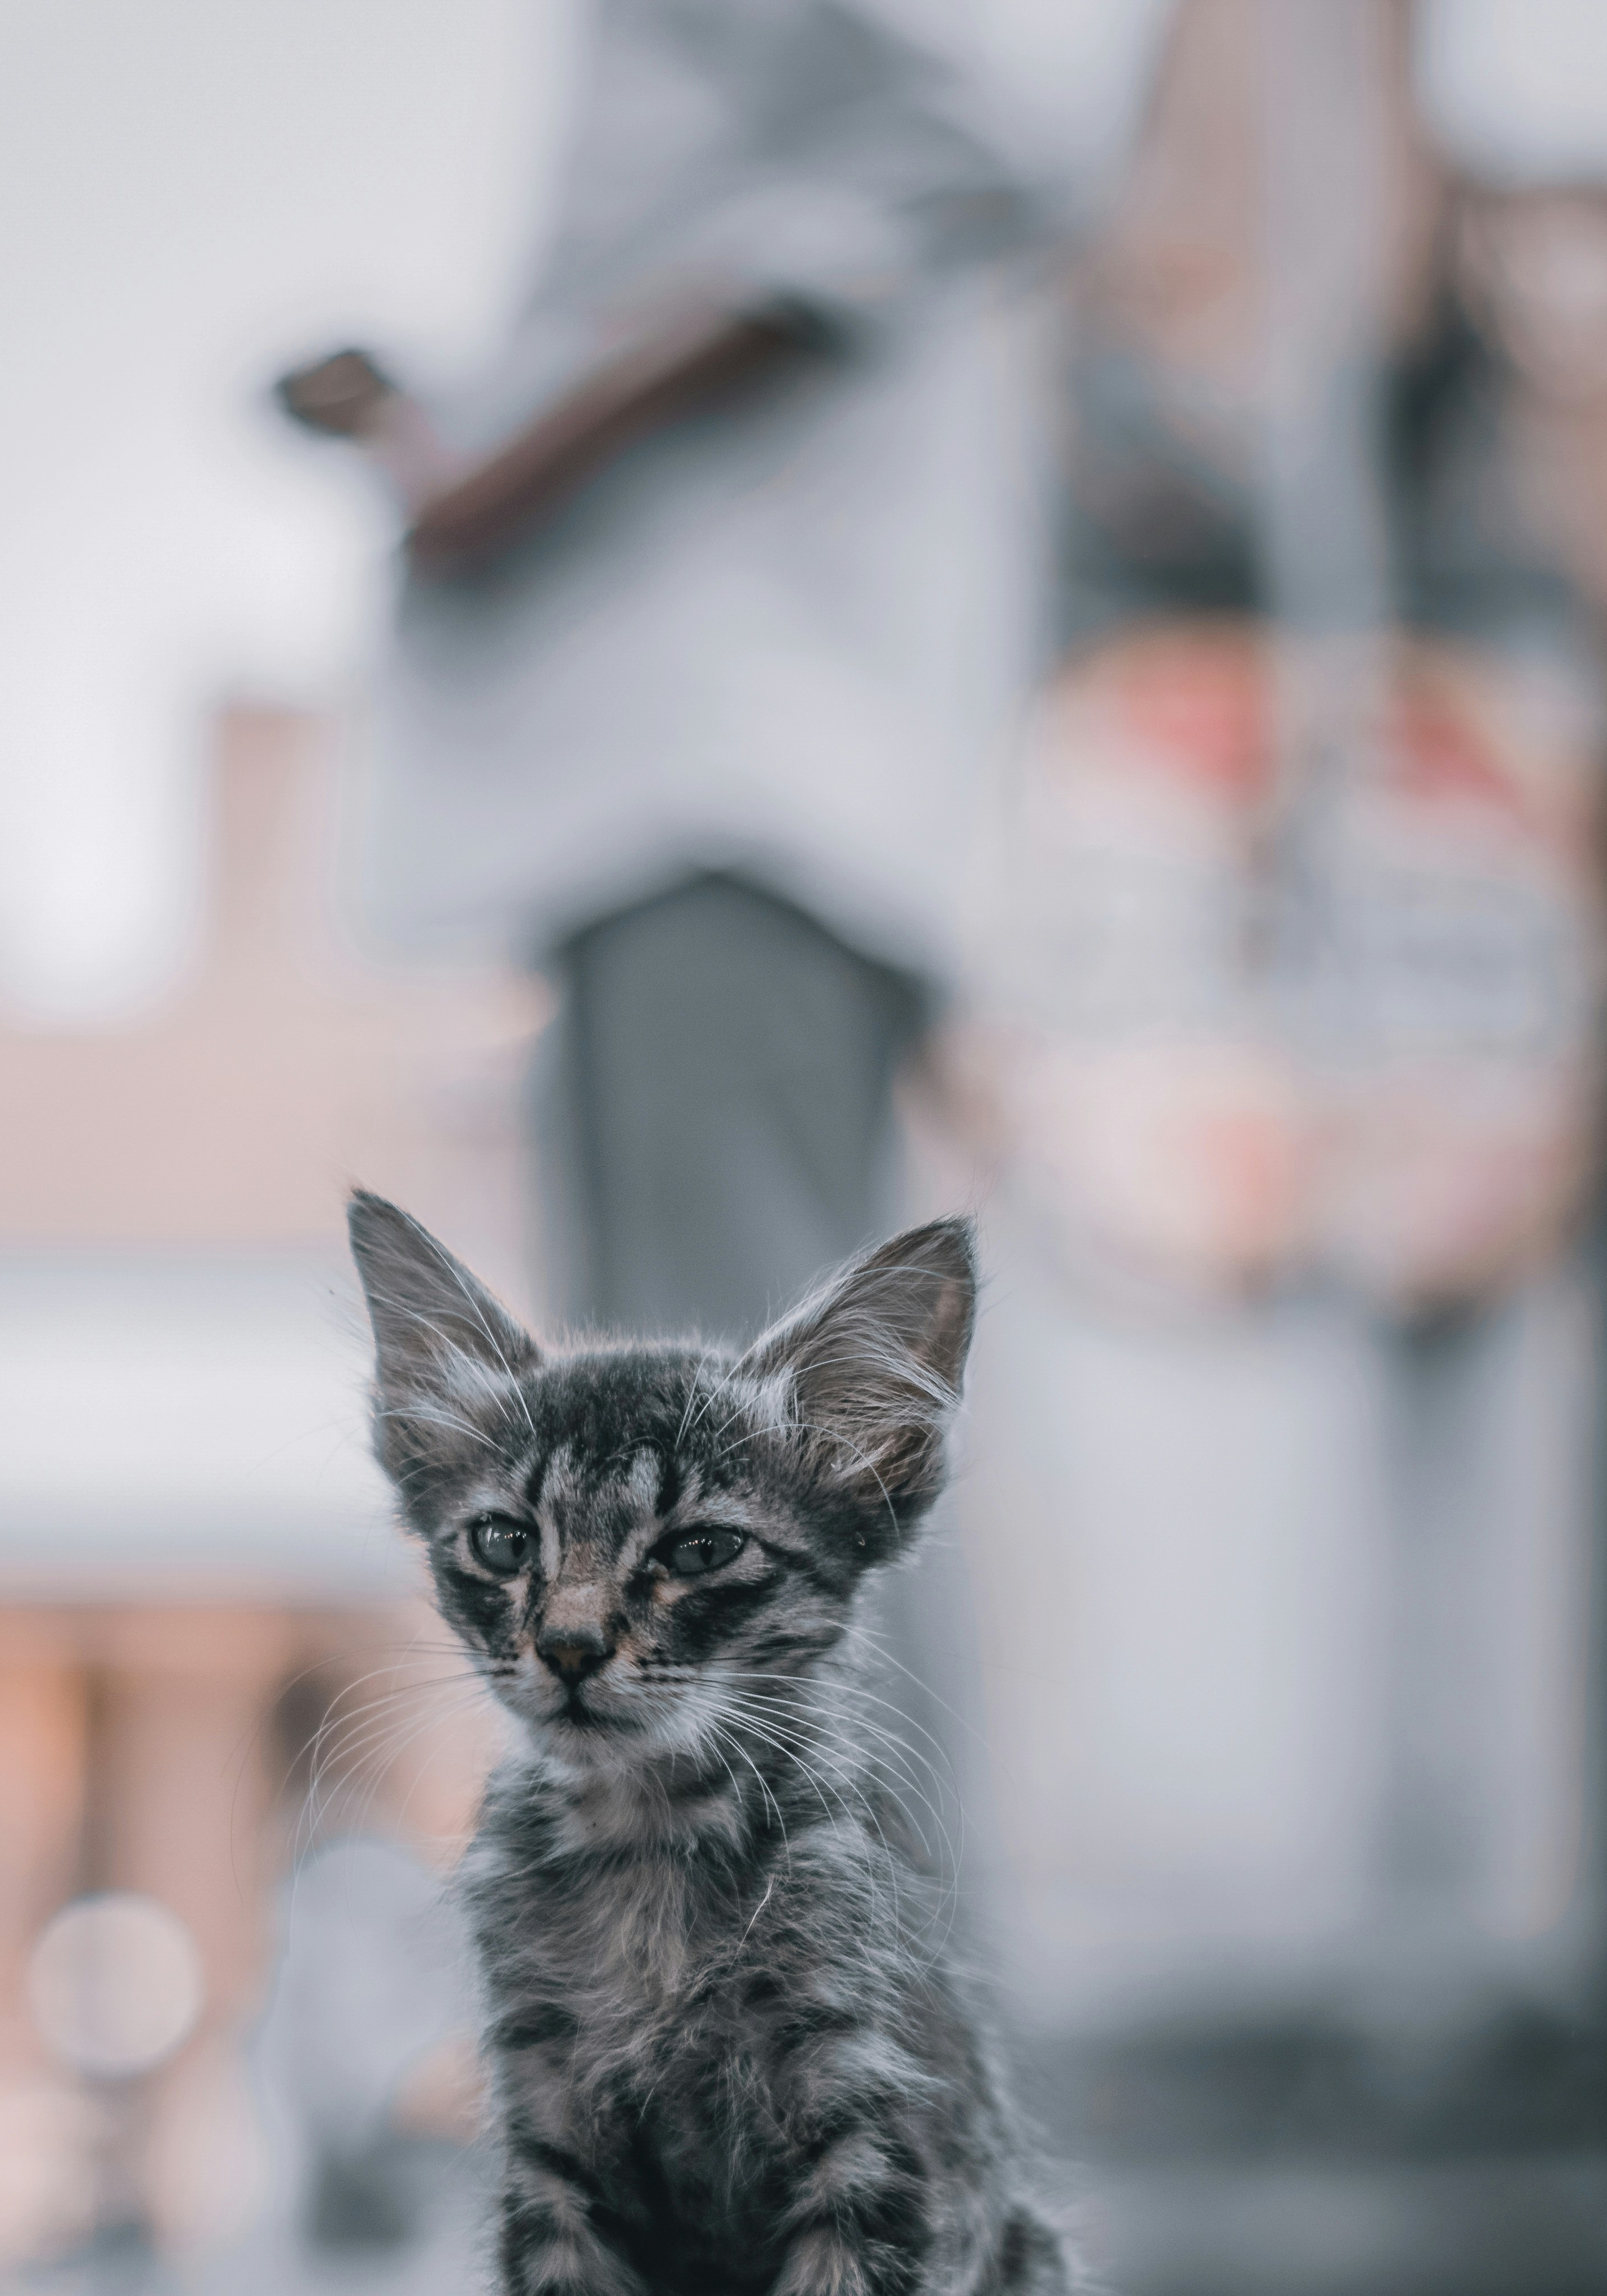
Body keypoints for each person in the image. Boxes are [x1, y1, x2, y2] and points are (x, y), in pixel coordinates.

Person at [281, 0, 1165, 1345]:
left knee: (717, 1406)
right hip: (704, 793)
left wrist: (517, 465)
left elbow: (973, 144)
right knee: (703, 1381)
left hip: (725, 791)